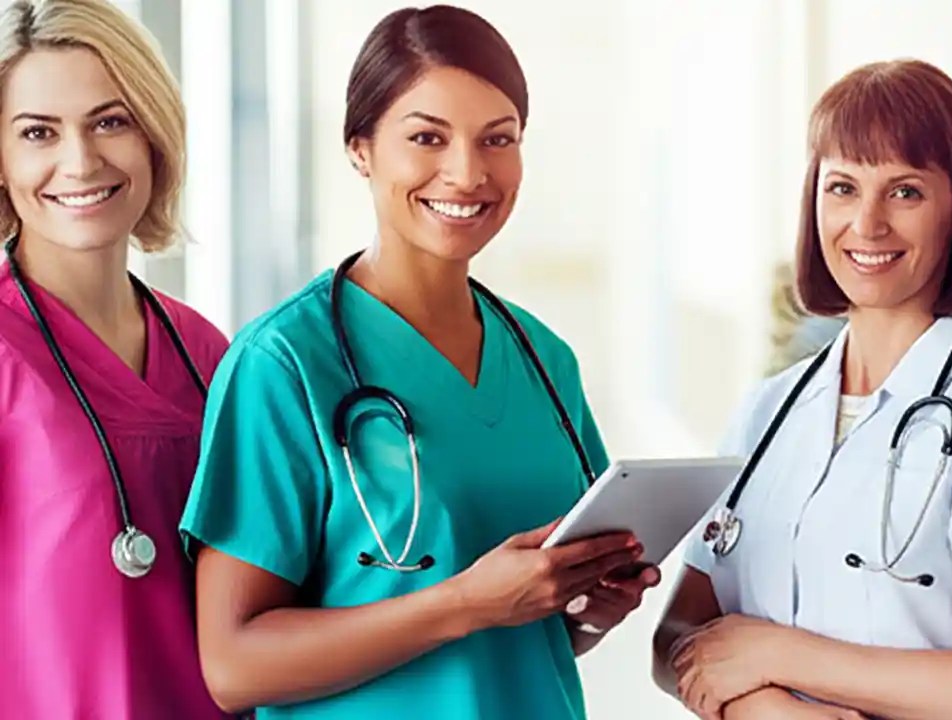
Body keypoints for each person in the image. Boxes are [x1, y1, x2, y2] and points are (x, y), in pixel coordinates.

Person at [179, 6, 659, 718]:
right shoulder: (284, 364)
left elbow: (525, 629)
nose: (467, 173)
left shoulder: (544, 359)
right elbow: (234, 665)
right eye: (427, 138)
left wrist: (588, 609)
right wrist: (463, 603)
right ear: (360, 148)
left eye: (498, 140)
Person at [652, 59, 952, 720]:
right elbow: (676, 643)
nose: (868, 224)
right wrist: (775, 713)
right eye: (843, 187)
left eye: (905, 191)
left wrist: (776, 653)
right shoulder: (766, 413)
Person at [0, 1, 231, 718]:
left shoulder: (209, 353)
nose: (82, 162)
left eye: (110, 121)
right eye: (39, 133)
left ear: (154, 134)